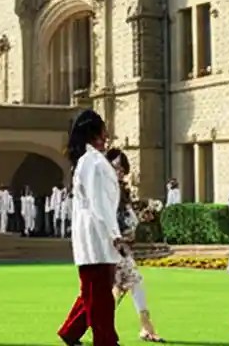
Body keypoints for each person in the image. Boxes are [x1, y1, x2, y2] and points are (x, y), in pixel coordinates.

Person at [57, 109, 122, 346]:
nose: (107, 136)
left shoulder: (90, 161)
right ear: (95, 133)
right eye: (104, 131)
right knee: (99, 296)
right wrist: (115, 235)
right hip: (97, 237)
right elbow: (100, 203)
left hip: (94, 236)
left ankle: (71, 331)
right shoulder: (92, 163)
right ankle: (106, 341)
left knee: (92, 293)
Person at [108, 148, 165, 342]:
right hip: (114, 247)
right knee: (130, 283)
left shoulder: (120, 190)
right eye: (116, 167)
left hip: (122, 247)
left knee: (122, 287)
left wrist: (140, 218)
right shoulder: (107, 190)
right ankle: (145, 327)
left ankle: (144, 326)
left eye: (122, 168)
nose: (120, 171)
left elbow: (126, 217)